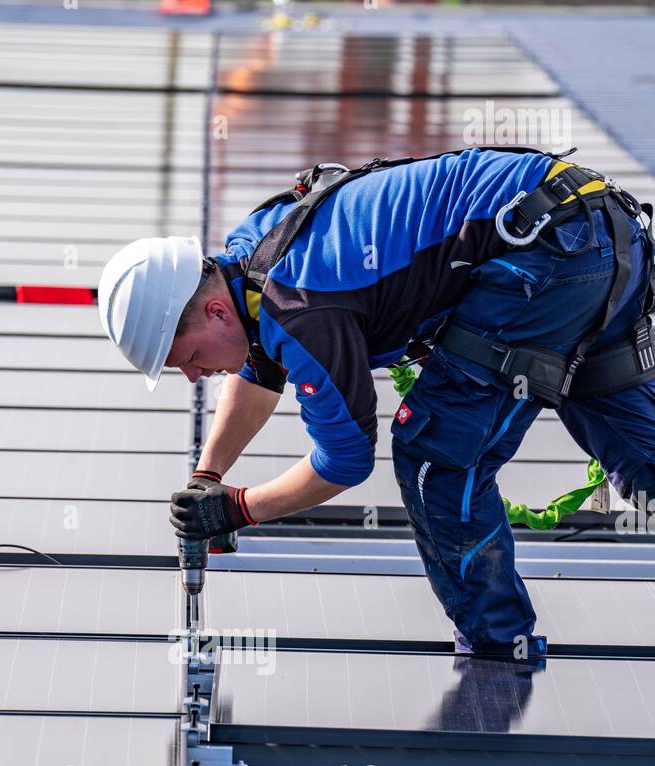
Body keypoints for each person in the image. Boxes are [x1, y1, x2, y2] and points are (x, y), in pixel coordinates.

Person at [98, 148, 655, 655]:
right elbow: (259, 368)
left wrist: (240, 509)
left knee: (434, 456)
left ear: (215, 314)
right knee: (635, 446)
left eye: (187, 358)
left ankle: (498, 653)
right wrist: (208, 475)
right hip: (592, 227)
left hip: (545, 259)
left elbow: (345, 461)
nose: (195, 377)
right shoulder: (252, 256)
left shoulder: (302, 308)